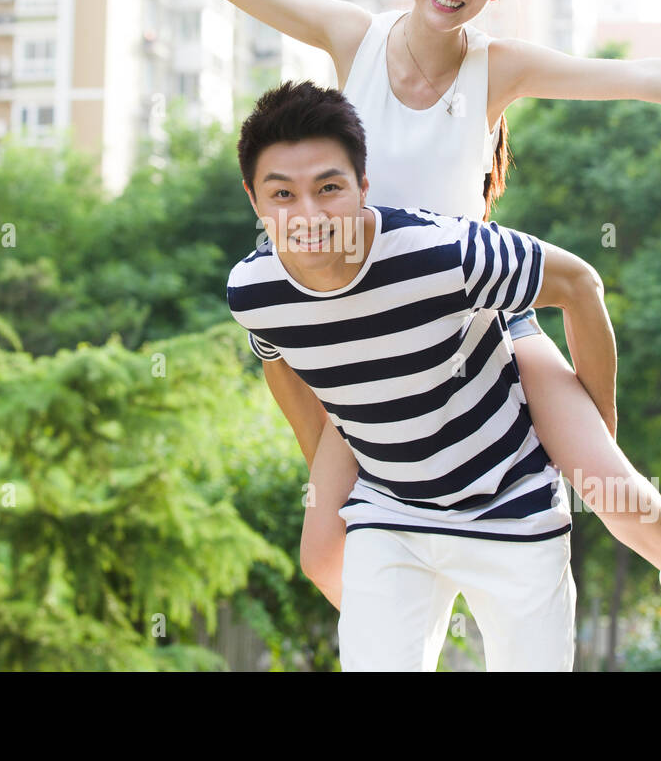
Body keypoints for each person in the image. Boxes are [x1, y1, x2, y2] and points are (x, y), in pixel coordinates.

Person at [10, 0, 661, 670]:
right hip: (370, 335)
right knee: (322, 551)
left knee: (606, 481)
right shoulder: (353, 38)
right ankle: (422, 614)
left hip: (476, 319)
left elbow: (641, 77)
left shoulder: (498, 69)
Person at [228, 78, 601, 669]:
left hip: (510, 496)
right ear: (254, 199)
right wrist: (327, 472)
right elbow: (278, 361)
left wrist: (598, 429)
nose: (307, 215)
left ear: (362, 187)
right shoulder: (253, 290)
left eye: (329, 188)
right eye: (282, 195)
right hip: (391, 509)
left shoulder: (447, 252)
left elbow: (579, 282)